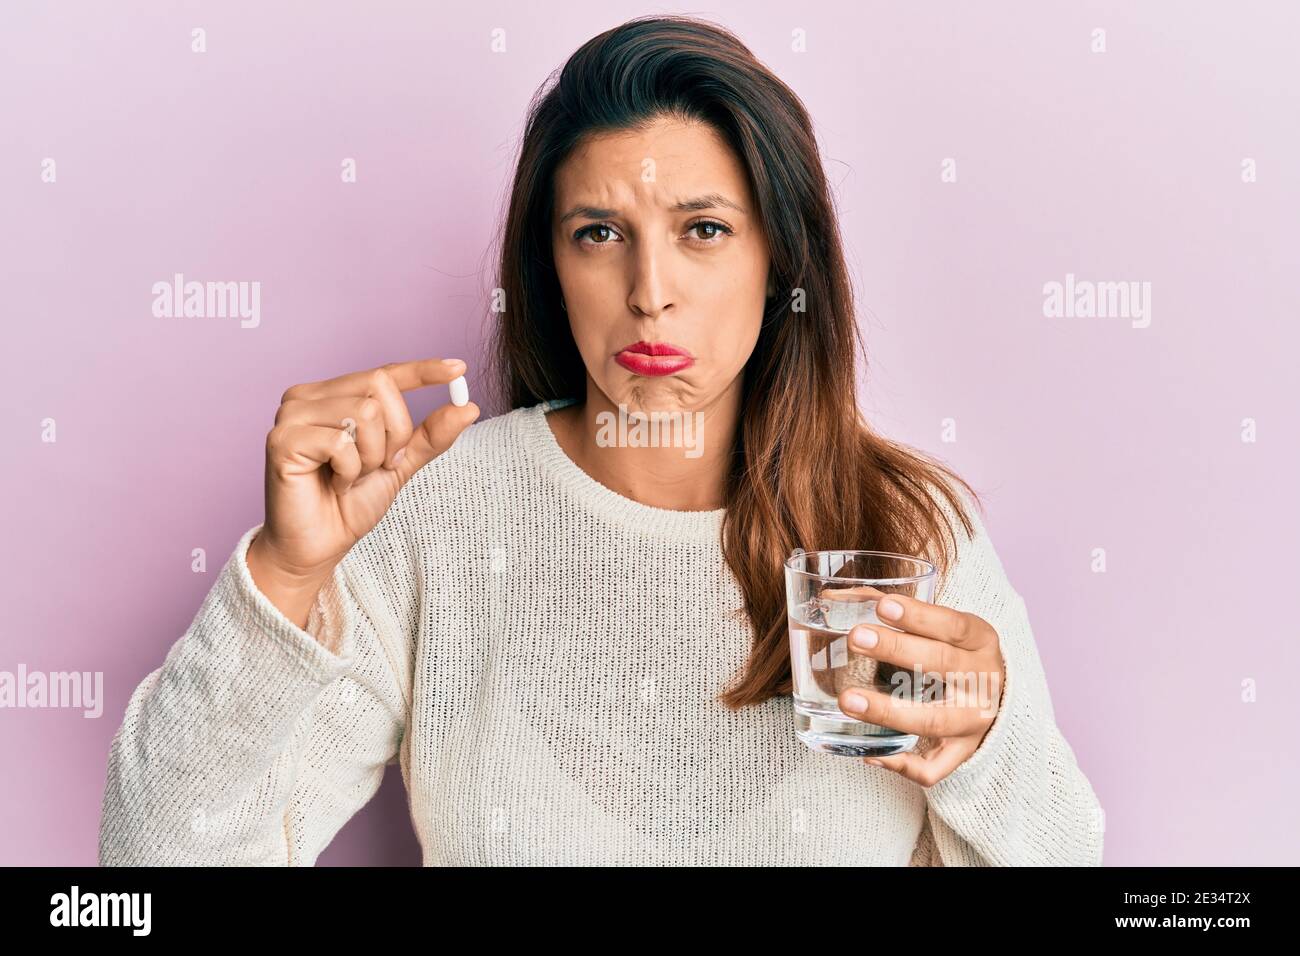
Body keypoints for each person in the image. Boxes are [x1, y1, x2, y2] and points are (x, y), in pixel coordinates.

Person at [98, 14, 1104, 866]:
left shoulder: (904, 526)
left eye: (702, 228)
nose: (648, 289)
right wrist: (282, 573)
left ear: (777, 259)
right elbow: (153, 860)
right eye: (598, 232)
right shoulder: (443, 513)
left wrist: (989, 740)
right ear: (551, 266)